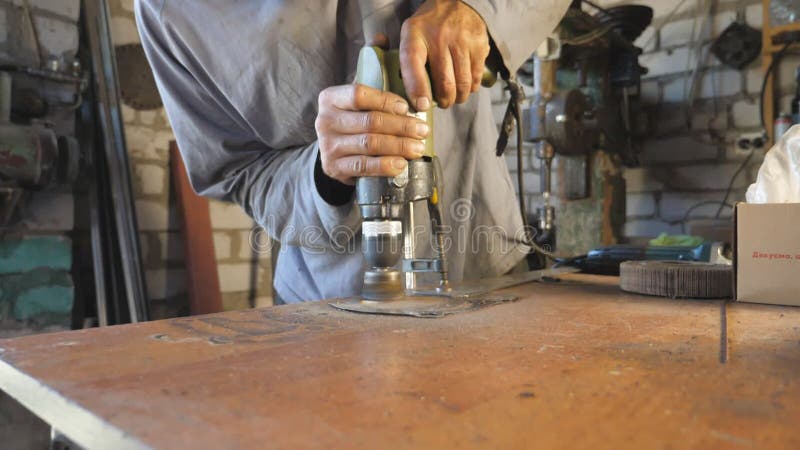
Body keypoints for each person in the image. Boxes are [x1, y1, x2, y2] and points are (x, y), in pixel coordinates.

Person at [135, 0, 570, 303]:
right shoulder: (169, 13)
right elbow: (238, 170)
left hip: (482, 265)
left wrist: (480, 11)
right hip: (325, 298)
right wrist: (323, 174)